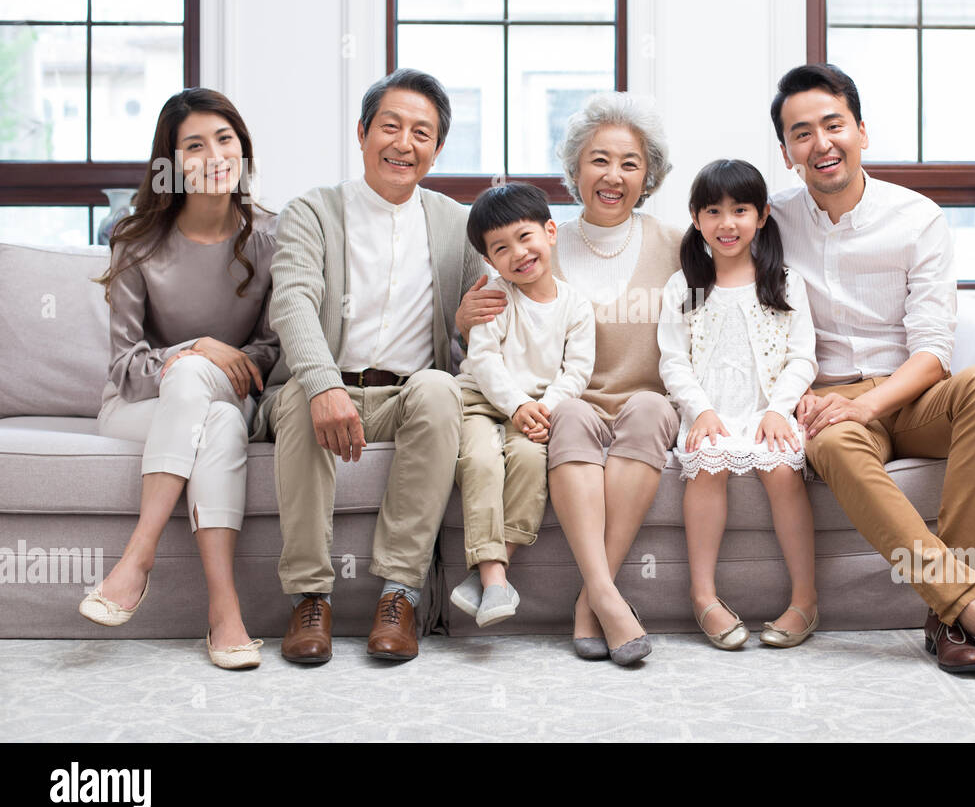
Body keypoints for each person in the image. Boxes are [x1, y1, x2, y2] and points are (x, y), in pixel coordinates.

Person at [769, 63, 975, 676]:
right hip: (826, 400)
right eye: (802, 133)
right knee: (834, 441)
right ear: (786, 153)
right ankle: (972, 618)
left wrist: (867, 404)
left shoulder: (917, 217)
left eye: (833, 125)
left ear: (861, 131)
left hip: (908, 392)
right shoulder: (771, 221)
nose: (821, 143)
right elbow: (709, 275)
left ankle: (951, 615)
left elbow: (934, 351)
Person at [261, 68, 484, 664]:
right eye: (390, 126)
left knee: (441, 390)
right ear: (362, 133)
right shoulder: (312, 210)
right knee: (300, 397)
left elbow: (484, 329)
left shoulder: (457, 224)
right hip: (323, 387)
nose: (403, 144)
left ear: (437, 149)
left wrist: (466, 325)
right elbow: (293, 302)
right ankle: (309, 599)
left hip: (406, 397)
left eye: (421, 133)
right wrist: (323, 384)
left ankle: (400, 597)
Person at [457, 92, 680, 666]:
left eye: (630, 163)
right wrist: (463, 321)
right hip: (564, 405)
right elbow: (490, 333)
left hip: (642, 404)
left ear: (648, 175)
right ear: (575, 169)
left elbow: (717, 317)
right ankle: (606, 597)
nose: (613, 175)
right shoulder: (532, 242)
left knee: (653, 408)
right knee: (574, 413)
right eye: (598, 160)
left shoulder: (675, 246)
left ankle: (591, 597)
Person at [82, 88, 277, 670]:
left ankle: (136, 565)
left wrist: (208, 359)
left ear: (243, 149)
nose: (214, 156)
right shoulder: (136, 239)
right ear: (170, 163)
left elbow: (270, 351)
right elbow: (126, 368)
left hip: (232, 393)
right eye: (194, 146)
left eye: (224, 139)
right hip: (137, 406)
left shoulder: (273, 236)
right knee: (210, 411)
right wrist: (195, 349)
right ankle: (223, 612)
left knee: (211, 401)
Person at [658, 159, 819, 650]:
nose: (727, 223)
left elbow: (802, 357)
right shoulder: (685, 286)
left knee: (783, 468)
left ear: (763, 215)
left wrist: (779, 409)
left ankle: (805, 599)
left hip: (769, 411)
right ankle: (703, 596)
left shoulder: (785, 282)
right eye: (713, 211)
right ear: (695, 217)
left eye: (740, 210)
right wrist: (700, 411)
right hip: (708, 412)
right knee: (707, 464)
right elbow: (673, 361)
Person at [449, 183, 595, 627]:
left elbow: (577, 371)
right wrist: (515, 405)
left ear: (550, 232)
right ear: (489, 261)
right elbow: (484, 360)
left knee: (531, 462)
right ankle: (495, 578)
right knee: (481, 462)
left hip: (535, 411)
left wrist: (543, 408)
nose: (518, 253)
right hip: (481, 400)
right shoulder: (495, 298)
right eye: (501, 248)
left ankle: (491, 573)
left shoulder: (576, 305)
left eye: (525, 237)